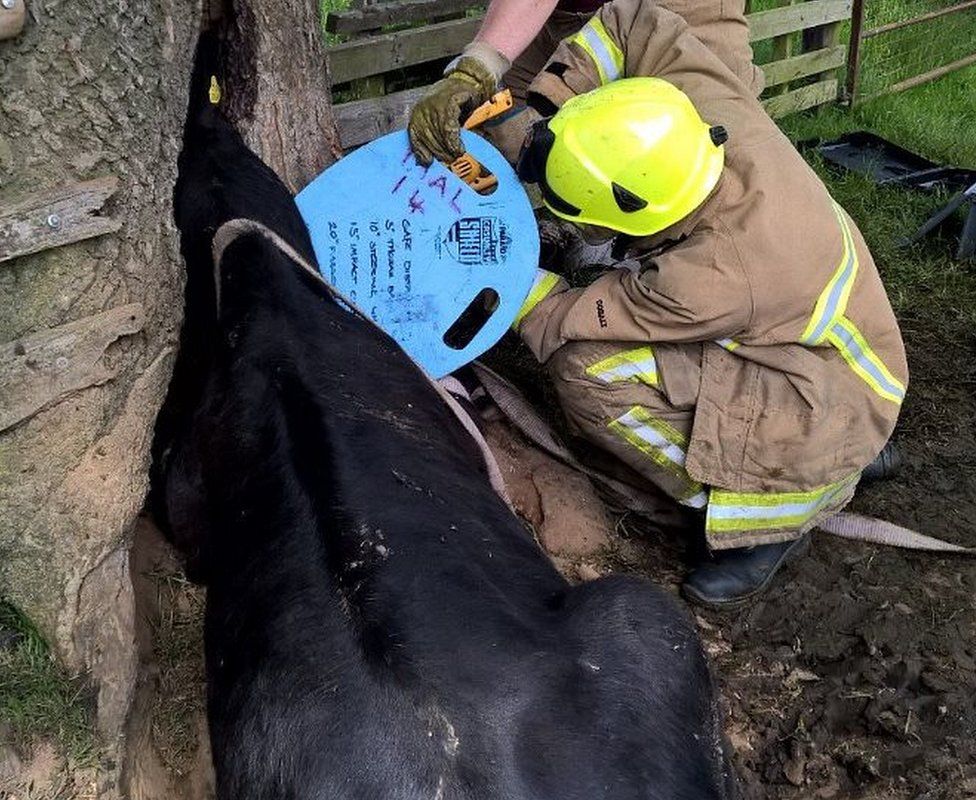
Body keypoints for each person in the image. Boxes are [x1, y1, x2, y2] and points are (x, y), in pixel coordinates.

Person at [504, 0, 908, 608]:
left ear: (636, 217)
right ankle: (846, 452)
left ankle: (769, 516)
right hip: (851, 358)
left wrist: (494, 271)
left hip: (816, 387)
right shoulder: (703, 108)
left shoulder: (708, 276)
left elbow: (561, 318)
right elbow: (632, 21)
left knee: (587, 370)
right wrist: (542, 105)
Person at [407, 0, 764, 166]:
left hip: (678, 6)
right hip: (564, 10)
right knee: (496, 113)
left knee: (715, 136)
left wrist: (476, 67)